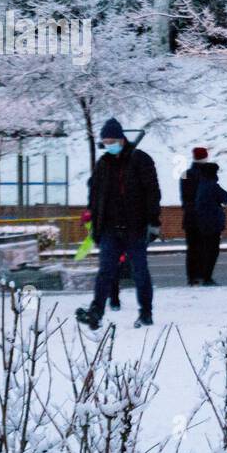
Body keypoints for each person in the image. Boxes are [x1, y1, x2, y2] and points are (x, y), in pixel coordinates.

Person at [75, 118, 162, 329]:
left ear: (122, 139)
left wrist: (153, 221)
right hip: (109, 228)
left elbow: (152, 193)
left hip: (135, 226)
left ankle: (146, 312)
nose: (109, 145)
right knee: (105, 271)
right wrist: (95, 225)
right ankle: (96, 311)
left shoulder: (140, 160)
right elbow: (94, 197)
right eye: (105, 142)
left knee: (140, 270)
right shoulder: (103, 164)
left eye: (112, 140)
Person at [181, 147, 227, 285]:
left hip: (189, 216)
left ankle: (192, 278)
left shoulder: (185, 174)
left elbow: (184, 195)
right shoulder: (207, 175)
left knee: (192, 249)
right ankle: (205, 276)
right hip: (205, 217)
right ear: (205, 157)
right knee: (208, 248)